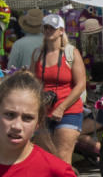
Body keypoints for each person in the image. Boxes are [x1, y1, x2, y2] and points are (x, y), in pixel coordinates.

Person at [31, 13, 88, 164]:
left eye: (52, 28)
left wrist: (61, 107)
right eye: (46, 28)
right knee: (43, 156)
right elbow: (33, 82)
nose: (49, 31)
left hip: (68, 109)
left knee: (62, 156)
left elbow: (81, 84)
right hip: (44, 110)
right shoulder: (37, 54)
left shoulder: (71, 53)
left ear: (61, 31)